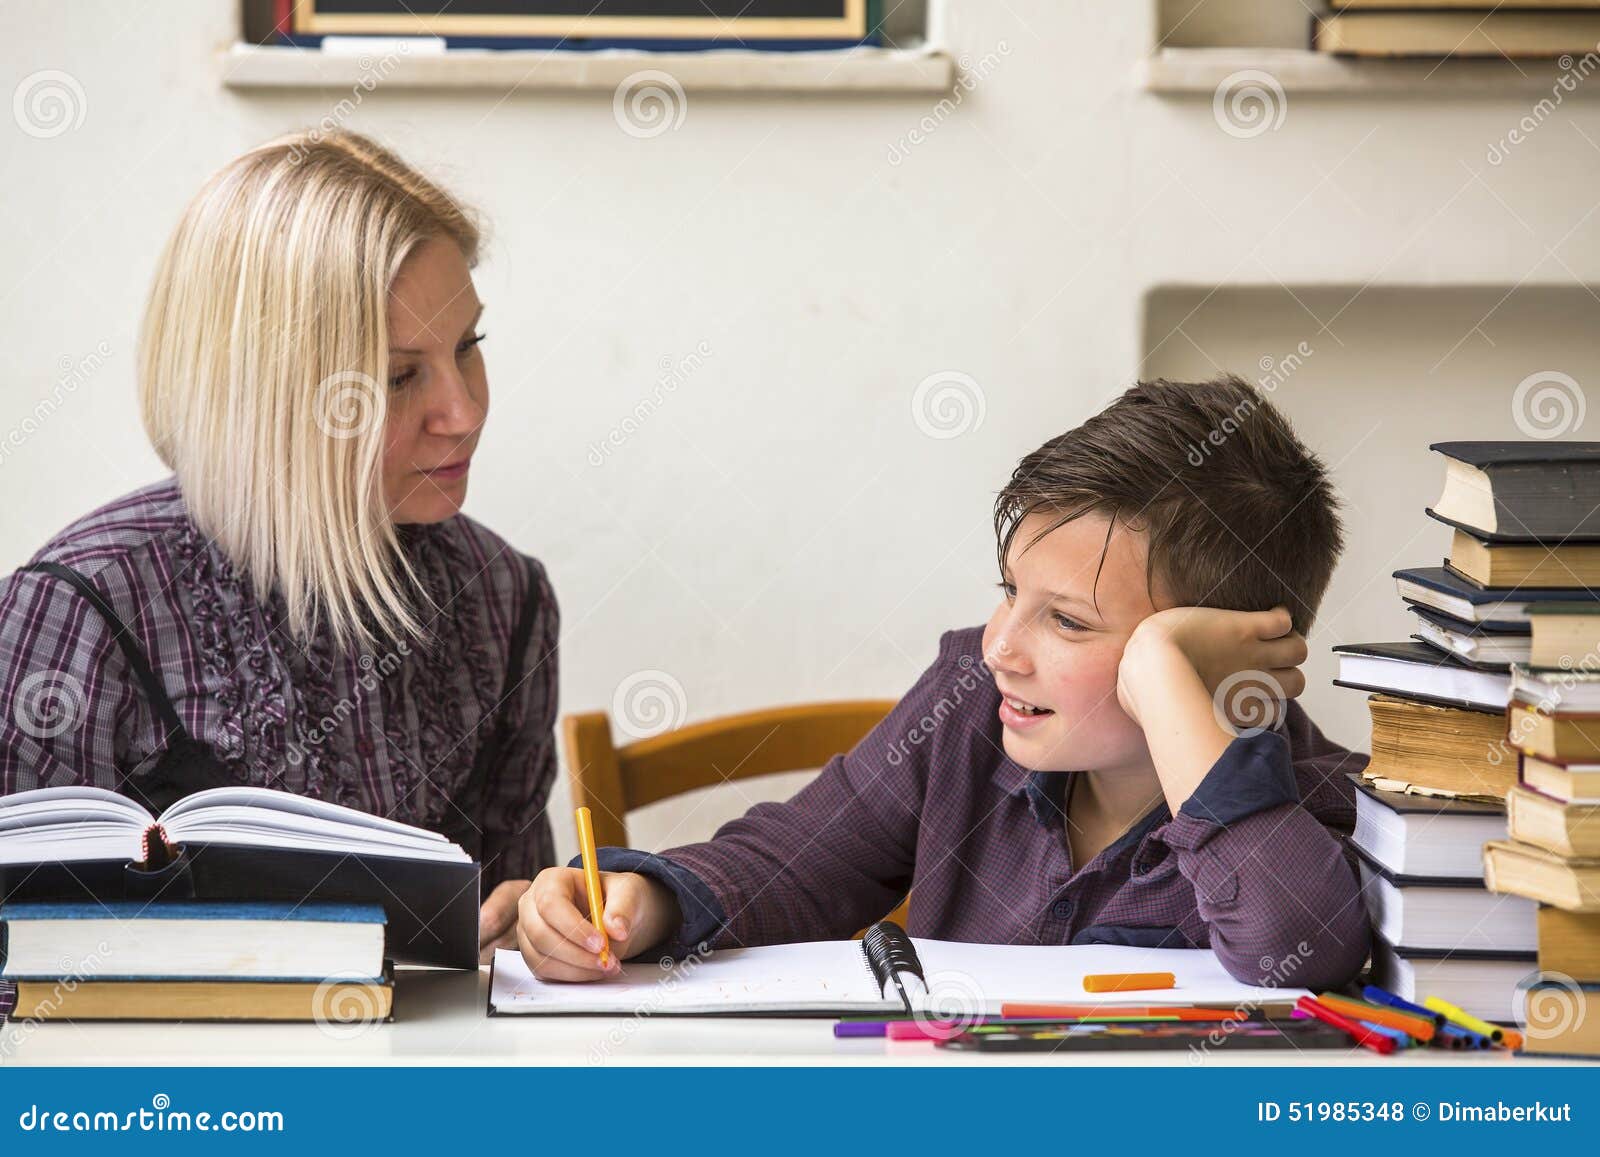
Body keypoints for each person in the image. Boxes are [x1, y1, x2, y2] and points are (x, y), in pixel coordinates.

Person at [518, 376, 1371, 989]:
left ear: (1229, 655)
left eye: (1067, 620)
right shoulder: (969, 703)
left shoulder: (1318, 806)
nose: (1001, 645)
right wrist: (647, 905)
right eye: (1010, 592)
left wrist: (1164, 677)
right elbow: (800, 859)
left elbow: (1294, 943)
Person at [0, 129, 556, 962]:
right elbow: (20, 990)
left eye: (468, 346)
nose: (465, 412)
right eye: (401, 374)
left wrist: (537, 933)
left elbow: (516, 965)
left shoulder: (504, 596)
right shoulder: (78, 612)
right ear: (265, 395)